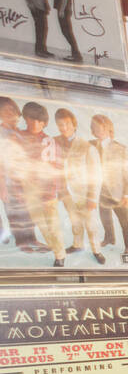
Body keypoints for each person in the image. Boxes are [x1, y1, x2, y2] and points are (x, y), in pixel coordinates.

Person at [17, 102, 67, 267]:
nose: (35, 124)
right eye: (31, 119)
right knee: (39, 222)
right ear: (25, 118)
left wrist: (51, 192)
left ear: (44, 123)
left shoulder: (49, 141)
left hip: (47, 188)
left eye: (39, 121)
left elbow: (56, 168)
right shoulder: (19, 136)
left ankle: (60, 255)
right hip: (28, 188)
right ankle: (55, 248)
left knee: (52, 224)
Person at [53, 108, 105, 264]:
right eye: (60, 125)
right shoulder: (54, 142)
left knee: (91, 224)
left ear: (74, 124)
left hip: (84, 194)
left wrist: (92, 198)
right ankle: (77, 245)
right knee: (75, 221)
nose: (64, 128)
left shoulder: (87, 147)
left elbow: (96, 175)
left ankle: (96, 250)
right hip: (66, 193)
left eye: (67, 124)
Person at [90, 114, 128, 256]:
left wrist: (127, 194)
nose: (100, 131)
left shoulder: (121, 148)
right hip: (100, 190)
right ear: (93, 130)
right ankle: (109, 238)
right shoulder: (90, 145)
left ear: (109, 129)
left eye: (103, 128)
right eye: (97, 128)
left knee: (124, 220)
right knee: (105, 217)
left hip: (117, 192)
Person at [0, 96, 39, 249]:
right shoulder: (2, 133)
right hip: (8, 179)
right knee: (14, 210)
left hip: (21, 179)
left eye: (13, 111)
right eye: (5, 112)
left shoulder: (19, 132)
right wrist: (2, 184)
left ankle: (32, 239)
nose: (12, 115)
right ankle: (22, 242)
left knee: (26, 209)